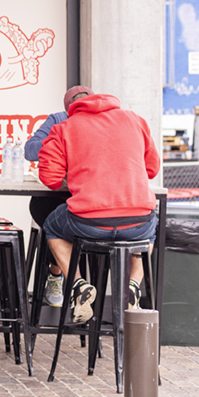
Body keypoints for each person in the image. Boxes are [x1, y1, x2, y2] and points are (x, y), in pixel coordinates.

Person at [36, 87, 160, 323]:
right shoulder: (135, 120)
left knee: (51, 226)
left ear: (70, 109)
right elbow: (152, 169)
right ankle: (133, 286)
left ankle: (79, 286)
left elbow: (50, 180)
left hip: (89, 222)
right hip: (138, 222)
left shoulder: (63, 128)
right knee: (150, 232)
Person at [24, 95, 74, 307]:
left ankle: (74, 282)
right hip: (60, 196)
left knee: (67, 220)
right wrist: (59, 141)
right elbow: (30, 150)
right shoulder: (58, 120)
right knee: (53, 215)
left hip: (91, 199)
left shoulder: (105, 126)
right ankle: (60, 277)